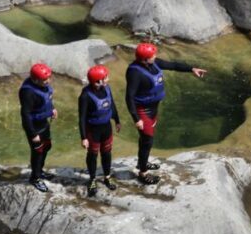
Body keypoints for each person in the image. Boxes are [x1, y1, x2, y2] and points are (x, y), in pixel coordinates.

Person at [125, 42, 206, 184]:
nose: (155, 56)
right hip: (143, 110)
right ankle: (143, 174)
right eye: (152, 55)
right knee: (147, 140)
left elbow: (173, 65)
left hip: (153, 108)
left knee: (145, 140)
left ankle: (141, 162)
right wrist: (136, 119)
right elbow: (129, 97)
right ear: (144, 59)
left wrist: (191, 69)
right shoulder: (135, 73)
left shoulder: (154, 63)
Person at [79, 65, 121, 196]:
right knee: (93, 155)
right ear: (97, 81)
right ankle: (92, 179)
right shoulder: (85, 96)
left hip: (106, 128)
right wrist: (83, 137)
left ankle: (107, 177)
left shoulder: (107, 88)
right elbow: (82, 118)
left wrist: (117, 120)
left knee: (107, 153)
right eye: (105, 77)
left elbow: (111, 104)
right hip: (93, 131)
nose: (108, 79)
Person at [19, 63, 58, 192]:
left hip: (43, 123)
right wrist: (32, 133)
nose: (48, 81)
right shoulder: (28, 92)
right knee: (38, 152)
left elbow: (47, 99)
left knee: (47, 146)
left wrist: (52, 109)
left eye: (49, 78)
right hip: (34, 126)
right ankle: (35, 178)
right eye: (45, 79)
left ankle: (40, 171)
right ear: (35, 80)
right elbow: (26, 115)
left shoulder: (42, 85)